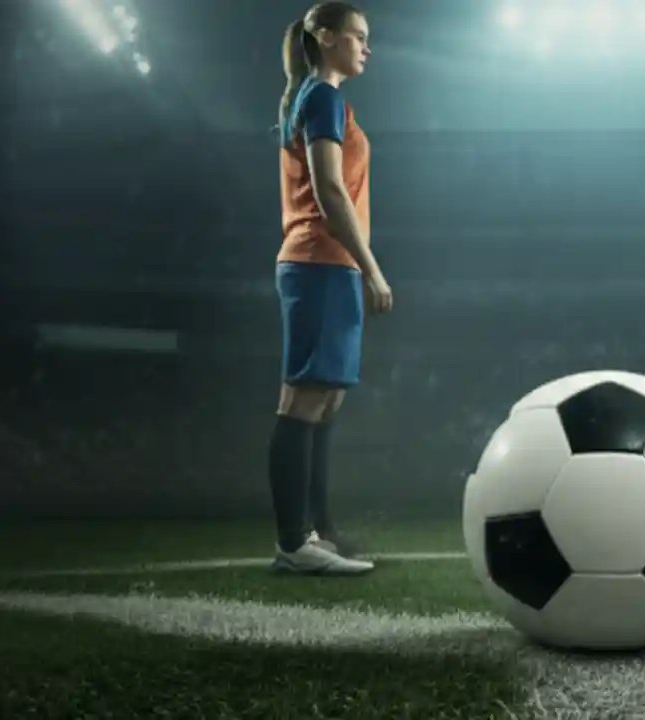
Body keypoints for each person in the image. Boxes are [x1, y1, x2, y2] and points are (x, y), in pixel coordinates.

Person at [268, 2, 392, 575]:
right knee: (304, 398)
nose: (367, 47)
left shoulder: (319, 98)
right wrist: (372, 267)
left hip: (330, 265)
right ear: (325, 37)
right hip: (320, 260)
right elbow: (330, 191)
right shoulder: (322, 97)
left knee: (326, 400)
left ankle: (320, 532)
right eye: (358, 36)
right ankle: (295, 543)